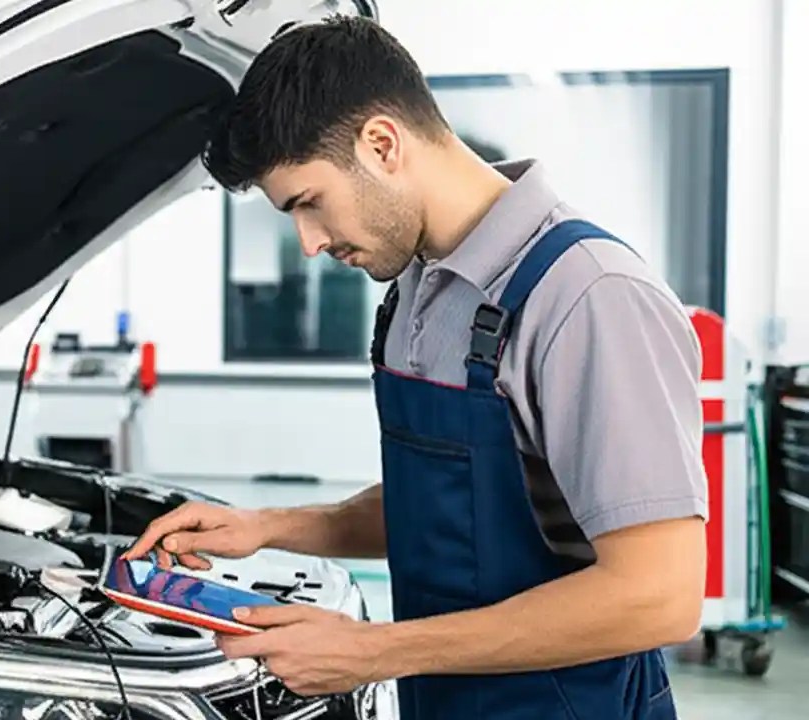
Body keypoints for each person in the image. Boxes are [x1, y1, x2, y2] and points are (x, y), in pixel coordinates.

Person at [123, 15, 706, 719]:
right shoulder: (416, 288)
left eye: (309, 204)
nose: (308, 243)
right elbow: (453, 512)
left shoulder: (589, 295)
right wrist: (266, 526)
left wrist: (374, 651)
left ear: (382, 144)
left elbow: (660, 596)